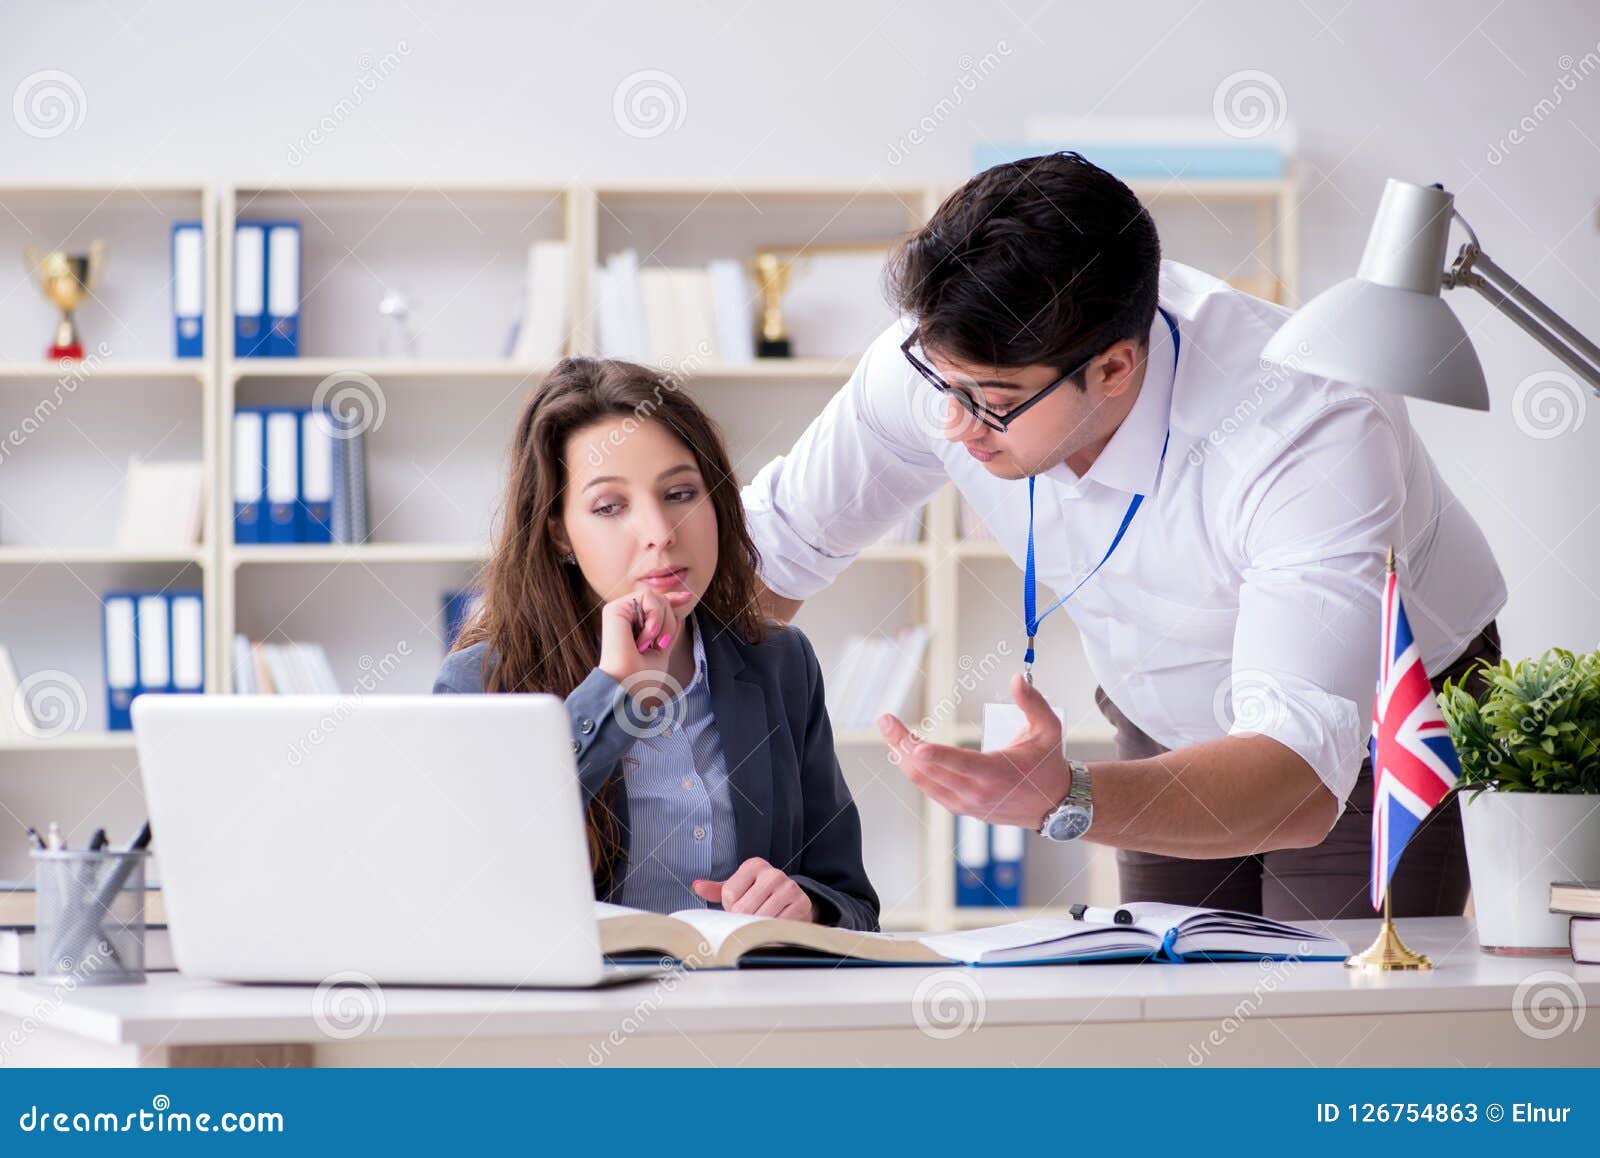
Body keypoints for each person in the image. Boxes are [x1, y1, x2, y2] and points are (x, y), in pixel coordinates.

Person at [741, 152, 1506, 921]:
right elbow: (767, 555)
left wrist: (1068, 795)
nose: (953, 422)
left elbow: (1299, 777)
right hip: (1164, 701)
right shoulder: (945, 361)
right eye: (944, 383)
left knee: (1318, 1013)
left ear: (1112, 369)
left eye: (993, 400)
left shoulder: (1307, 425)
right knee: (1166, 994)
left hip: (1379, 721)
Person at [434, 357, 878, 931]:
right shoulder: (480, 683)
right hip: (574, 1015)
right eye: (610, 506)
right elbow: (472, 885)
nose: (660, 532)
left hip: (741, 1009)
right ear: (559, 533)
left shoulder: (780, 663)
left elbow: (854, 902)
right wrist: (612, 691)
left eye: (680, 492)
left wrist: (806, 905)